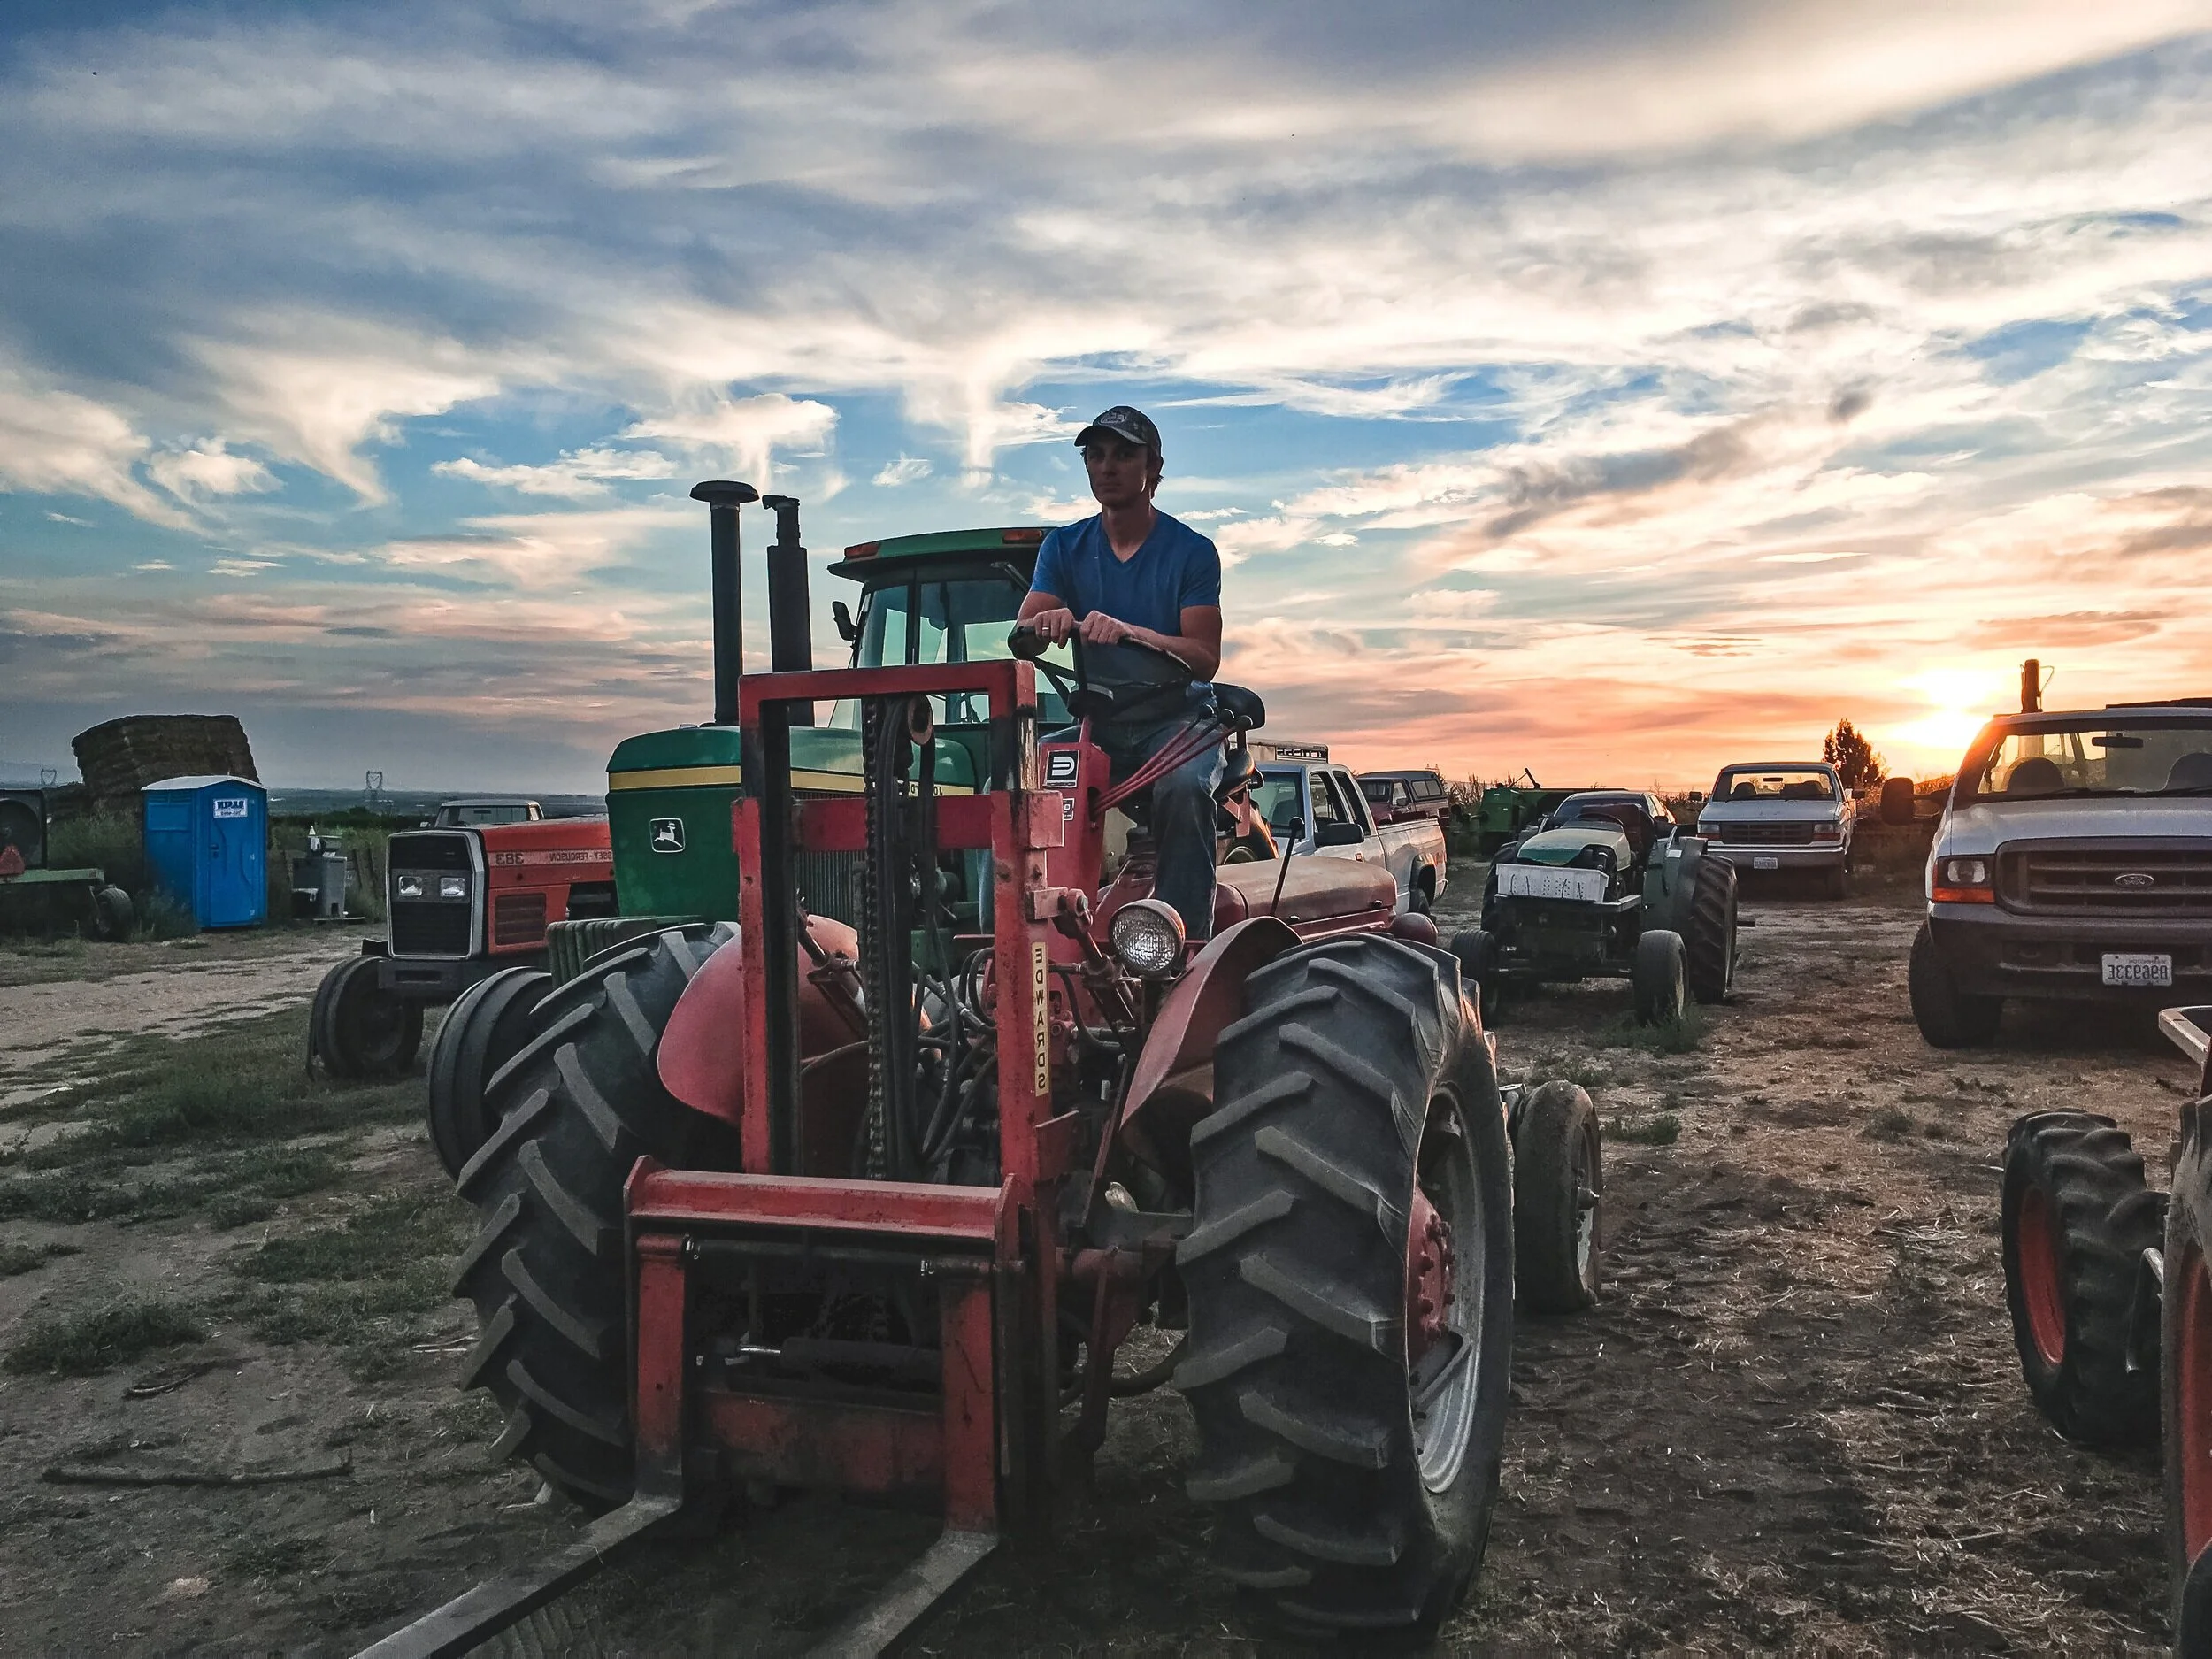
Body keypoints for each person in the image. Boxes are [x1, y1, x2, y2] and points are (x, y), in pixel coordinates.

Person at [1018, 405, 1225, 940]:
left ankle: (1181, 941)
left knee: (1182, 788)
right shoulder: (1063, 547)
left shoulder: (1193, 552)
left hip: (1175, 721)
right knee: (1022, 783)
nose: (1108, 466)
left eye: (1124, 455)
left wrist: (1133, 633)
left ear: (1153, 470)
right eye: (1096, 455)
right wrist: (1049, 620)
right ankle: (1017, 937)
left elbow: (1204, 656)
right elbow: (1024, 629)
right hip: (1101, 724)